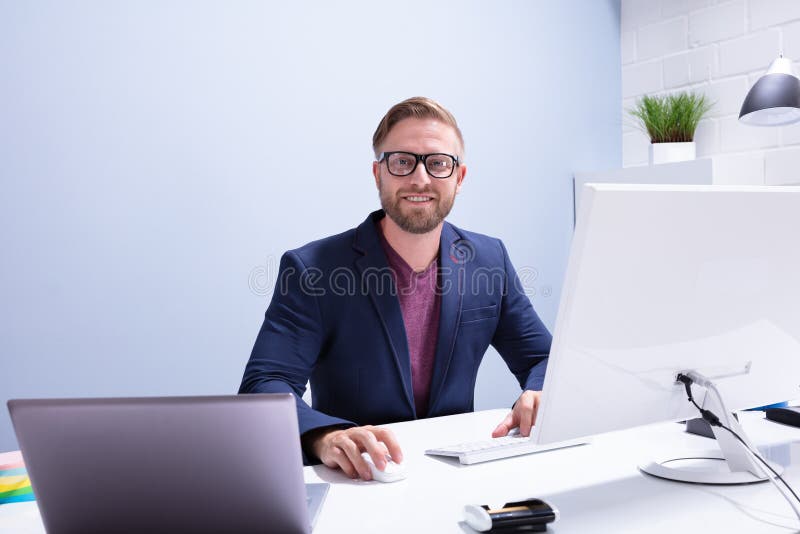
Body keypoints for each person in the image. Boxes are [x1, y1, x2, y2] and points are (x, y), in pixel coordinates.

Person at [239, 96, 551, 481]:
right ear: (378, 174)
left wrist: (538, 393)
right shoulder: (312, 269)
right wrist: (325, 436)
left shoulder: (489, 259)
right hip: (359, 479)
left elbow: (544, 358)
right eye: (402, 162)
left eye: (438, 163)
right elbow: (263, 388)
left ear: (459, 177)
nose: (420, 179)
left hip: (457, 477)